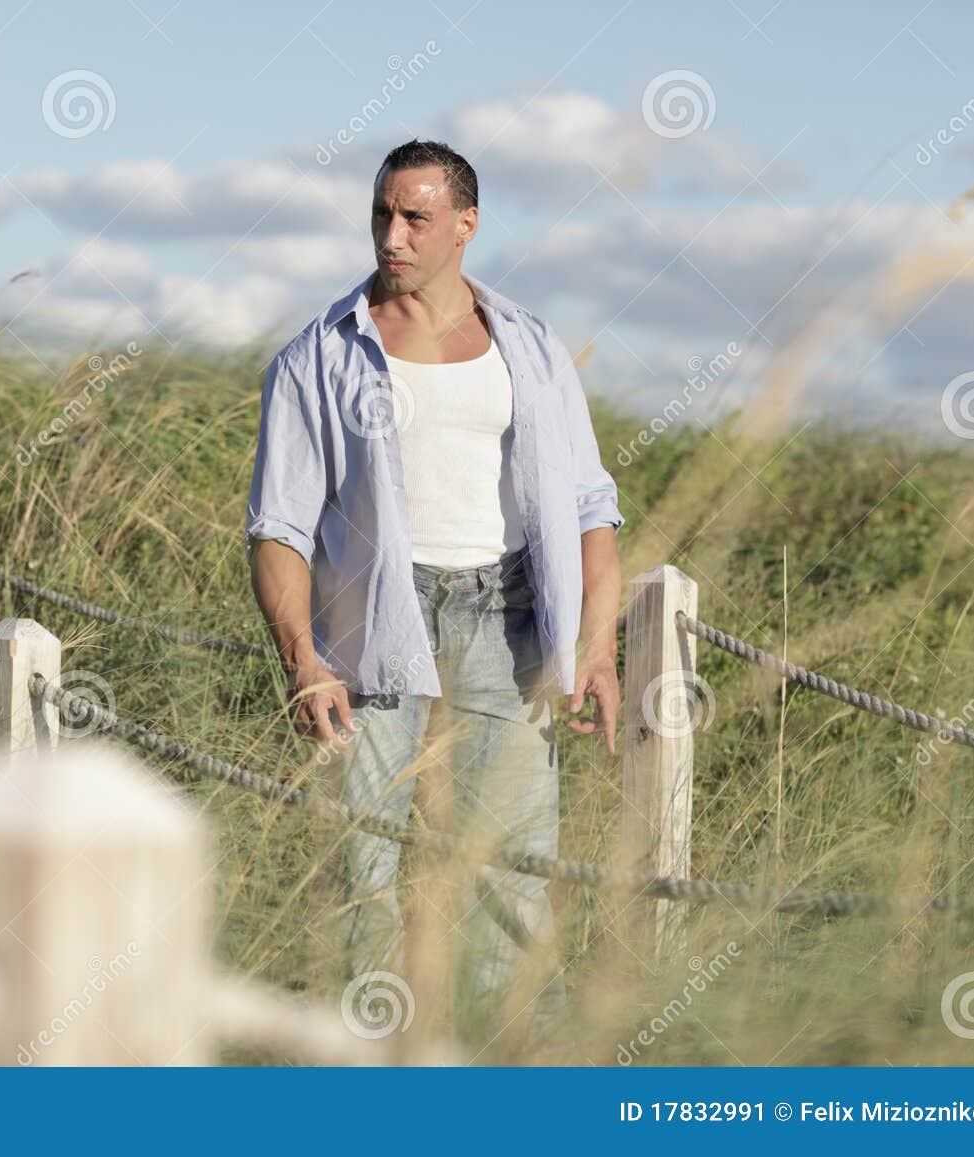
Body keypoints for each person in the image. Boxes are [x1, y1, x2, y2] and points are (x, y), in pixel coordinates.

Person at [244, 139, 624, 1037]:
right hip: (373, 622)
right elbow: (279, 527)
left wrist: (597, 648)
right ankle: (360, 1079)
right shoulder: (319, 354)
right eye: (382, 213)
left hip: (509, 621)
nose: (393, 235)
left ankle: (525, 1080)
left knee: (514, 876)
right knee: (360, 871)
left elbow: (589, 507)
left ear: (466, 225)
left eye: (415, 216)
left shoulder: (529, 349)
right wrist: (303, 660)